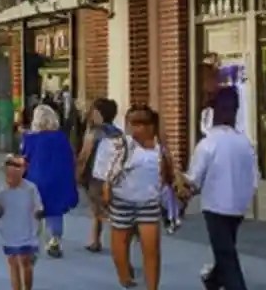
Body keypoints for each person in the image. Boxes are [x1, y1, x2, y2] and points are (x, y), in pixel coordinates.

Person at [186, 87, 257, 290]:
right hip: (238, 206)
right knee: (226, 246)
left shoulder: (208, 144)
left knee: (225, 252)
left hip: (216, 206)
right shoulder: (245, 143)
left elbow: (194, 178)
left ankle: (234, 285)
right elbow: (253, 177)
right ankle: (214, 280)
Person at [105, 105, 175, 290]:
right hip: (122, 201)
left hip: (149, 203)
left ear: (151, 126)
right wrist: (106, 194)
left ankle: (152, 287)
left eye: (141, 124)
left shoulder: (160, 149)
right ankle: (124, 276)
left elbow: (168, 174)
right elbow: (109, 172)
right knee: (119, 245)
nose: (136, 129)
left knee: (151, 249)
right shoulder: (123, 144)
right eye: (132, 124)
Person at [21, 104, 79, 258]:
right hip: (57, 179)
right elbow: (69, 159)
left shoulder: (30, 138)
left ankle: (31, 241)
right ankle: (54, 240)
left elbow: (25, 159)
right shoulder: (62, 138)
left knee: (34, 210)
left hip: (35, 178)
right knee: (55, 210)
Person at [0, 155, 42, 290]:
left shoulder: (31, 188)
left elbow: (38, 208)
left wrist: (39, 217)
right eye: (9, 169)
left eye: (17, 167)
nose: (12, 172)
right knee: (13, 262)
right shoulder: (0, 193)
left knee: (25, 262)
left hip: (28, 233)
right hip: (9, 234)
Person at [79, 97, 122, 253]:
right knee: (102, 209)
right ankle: (95, 240)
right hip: (113, 175)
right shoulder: (117, 132)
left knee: (100, 209)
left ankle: (105, 240)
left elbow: (85, 154)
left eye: (94, 111)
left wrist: (78, 172)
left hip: (96, 174)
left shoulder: (96, 131)